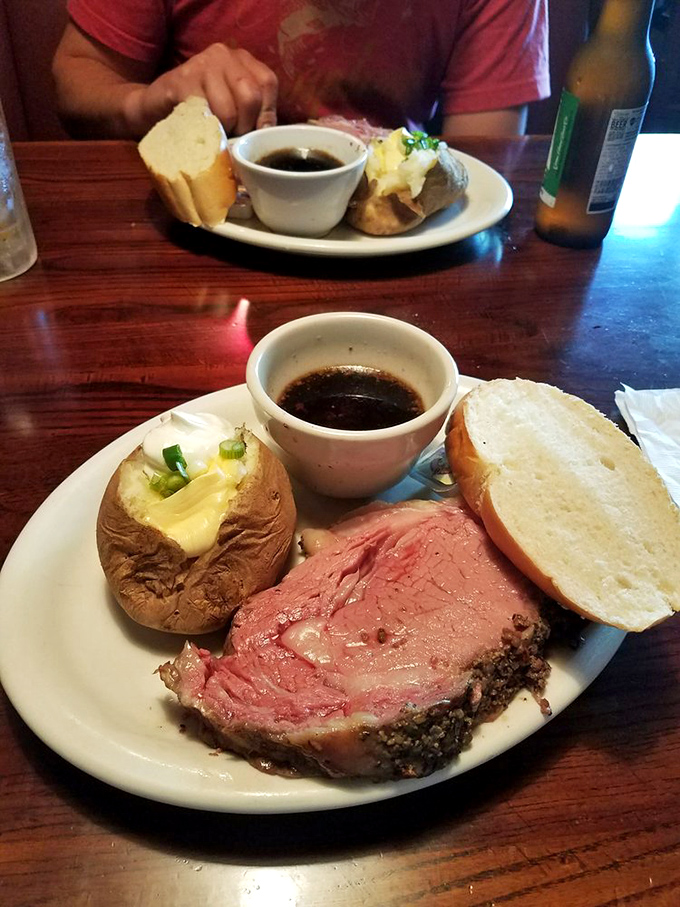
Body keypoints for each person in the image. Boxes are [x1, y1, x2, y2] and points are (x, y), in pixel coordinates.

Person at [52, 1, 550, 141]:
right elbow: (77, 78)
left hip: (403, 255)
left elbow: (483, 159)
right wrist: (148, 103)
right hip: (199, 237)